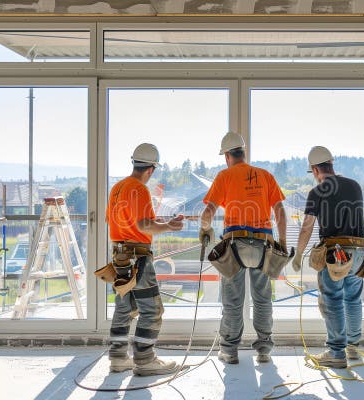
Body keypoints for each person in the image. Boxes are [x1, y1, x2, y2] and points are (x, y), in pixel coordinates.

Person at [199, 132, 288, 365]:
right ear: (243, 152)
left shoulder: (225, 176)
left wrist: (205, 229)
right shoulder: (265, 175)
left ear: (227, 156)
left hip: (235, 245)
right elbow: (279, 211)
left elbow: (208, 212)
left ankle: (229, 350)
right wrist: (283, 241)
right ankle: (264, 349)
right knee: (262, 299)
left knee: (232, 300)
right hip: (262, 244)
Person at [106, 143, 184, 375]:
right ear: (151, 169)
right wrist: (169, 225)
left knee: (125, 307)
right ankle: (145, 359)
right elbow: (143, 225)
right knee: (152, 310)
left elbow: (118, 221)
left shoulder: (117, 188)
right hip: (138, 257)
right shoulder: (139, 189)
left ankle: (118, 357)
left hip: (119, 256)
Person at [293, 146, 364, 368]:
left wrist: (298, 254)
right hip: (360, 251)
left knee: (333, 299)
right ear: (331, 164)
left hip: (336, 254)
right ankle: (353, 347)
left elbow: (307, 227)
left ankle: (336, 352)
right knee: (353, 298)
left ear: (315, 170)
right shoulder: (355, 186)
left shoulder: (317, 192)